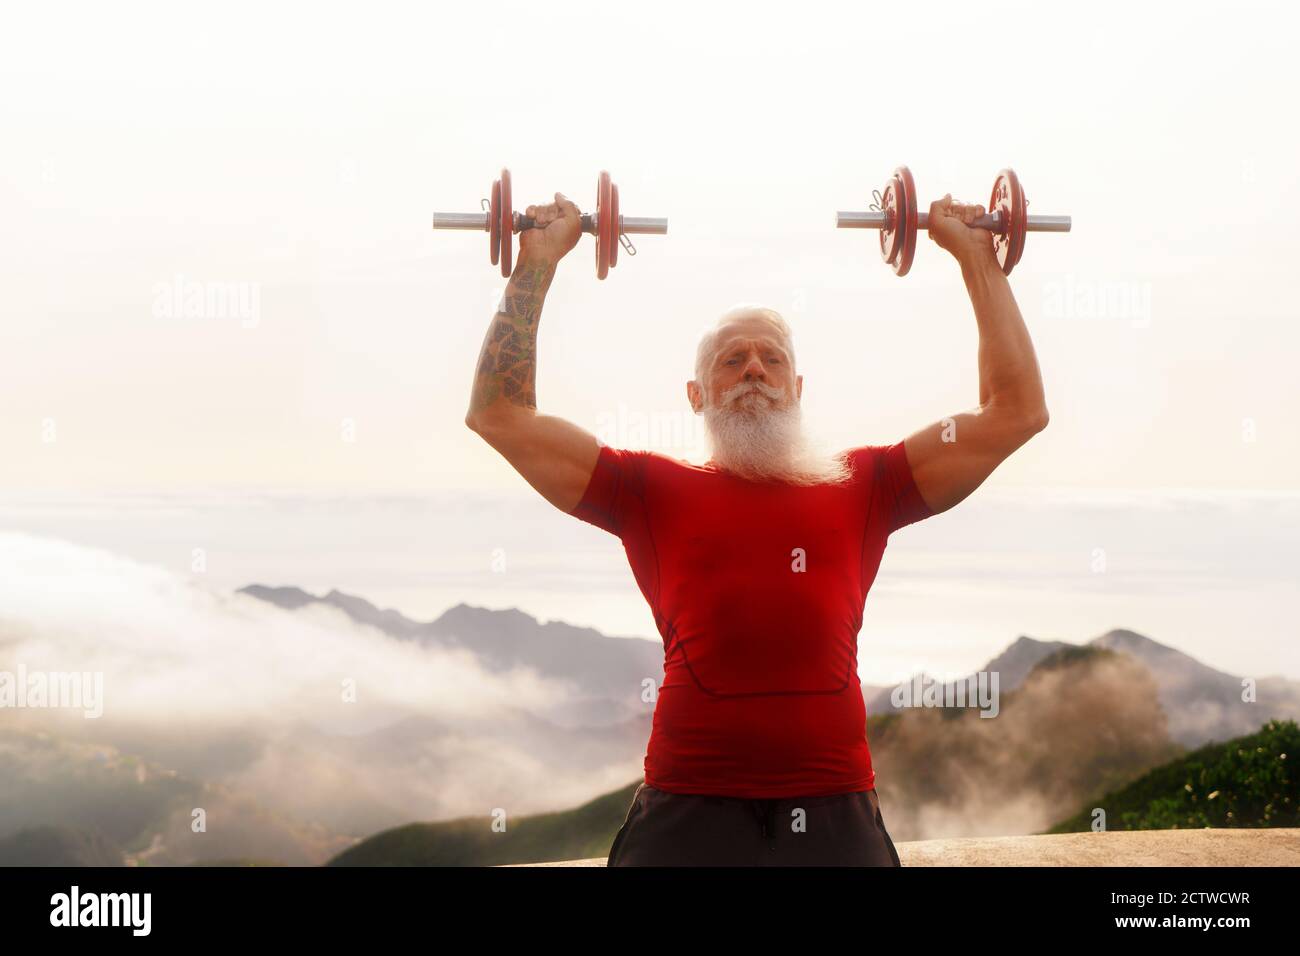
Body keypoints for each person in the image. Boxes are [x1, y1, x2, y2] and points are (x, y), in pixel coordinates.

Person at [464, 190, 1049, 866]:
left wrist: (978, 258)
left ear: (798, 387)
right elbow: (499, 415)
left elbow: (1016, 413)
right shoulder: (645, 490)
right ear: (696, 394)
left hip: (834, 810)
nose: (753, 370)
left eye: (771, 359)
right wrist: (536, 260)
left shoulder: (866, 484)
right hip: (687, 809)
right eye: (731, 359)